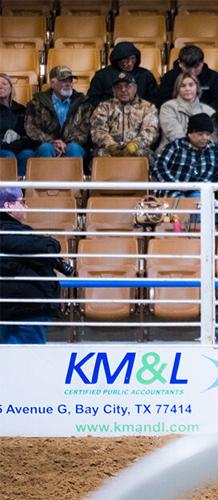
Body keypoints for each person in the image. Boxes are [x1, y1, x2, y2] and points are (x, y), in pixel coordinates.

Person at [0, 188, 63, 344]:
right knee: (29, 356)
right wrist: (52, 244)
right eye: (22, 202)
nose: (26, 207)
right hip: (26, 308)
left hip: (16, 307)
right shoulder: (12, 233)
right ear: (8, 206)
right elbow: (46, 248)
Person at [24, 66, 92, 166]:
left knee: (73, 148)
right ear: (52, 83)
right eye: (63, 81)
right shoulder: (37, 102)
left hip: (74, 145)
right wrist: (52, 142)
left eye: (70, 80)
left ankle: (74, 176)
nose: (68, 84)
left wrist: (65, 144)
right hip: (46, 145)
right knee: (46, 148)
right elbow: (31, 128)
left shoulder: (83, 102)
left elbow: (84, 131)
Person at [90, 72, 159, 163]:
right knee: (101, 154)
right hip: (110, 148)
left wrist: (135, 145)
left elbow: (151, 131)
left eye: (127, 86)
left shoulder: (148, 107)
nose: (123, 90)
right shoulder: (104, 107)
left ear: (135, 88)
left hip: (137, 148)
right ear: (114, 90)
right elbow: (98, 130)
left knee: (142, 153)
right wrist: (111, 145)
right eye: (119, 87)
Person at [152, 113, 218, 197]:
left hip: (201, 191)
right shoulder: (175, 146)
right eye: (200, 134)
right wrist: (174, 184)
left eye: (208, 134)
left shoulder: (216, 150)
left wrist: (210, 186)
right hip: (172, 190)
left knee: (199, 200)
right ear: (190, 133)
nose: (205, 138)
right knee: (180, 201)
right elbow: (159, 166)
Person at [156, 72, 217, 154]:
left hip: (202, 153)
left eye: (191, 85)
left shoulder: (208, 110)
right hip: (173, 151)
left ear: (197, 87)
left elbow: (213, 137)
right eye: (183, 86)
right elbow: (174, 135)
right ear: (178, 88)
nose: (187, 89)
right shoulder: (168, 107)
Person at [86, 41, 159, 106]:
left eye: (133, 58)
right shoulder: (102, 75)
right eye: (125, 59)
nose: (130, 63)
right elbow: (93, 100)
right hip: (109, 114)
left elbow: (154, 101)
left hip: (139, 114)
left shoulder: (145, 75)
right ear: (117, 60)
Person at [155, 45, 218, 110]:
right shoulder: (169, 77)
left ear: (202, 63)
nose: (192, 72)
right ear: (180, 64)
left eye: (196, 67)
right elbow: (162, 101)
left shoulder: (214, 77)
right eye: (187, 67)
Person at [0, 74, 35, 176]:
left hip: (18, 147)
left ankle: (22, 184)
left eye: (4, 84)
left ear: (11, 88)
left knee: (27, 154)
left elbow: (29, 134)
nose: (0, 86)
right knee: (8, 155)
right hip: (2, 148)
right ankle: (10, 185)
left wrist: (19, 143)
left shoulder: (21, 109)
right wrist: (4, 144)